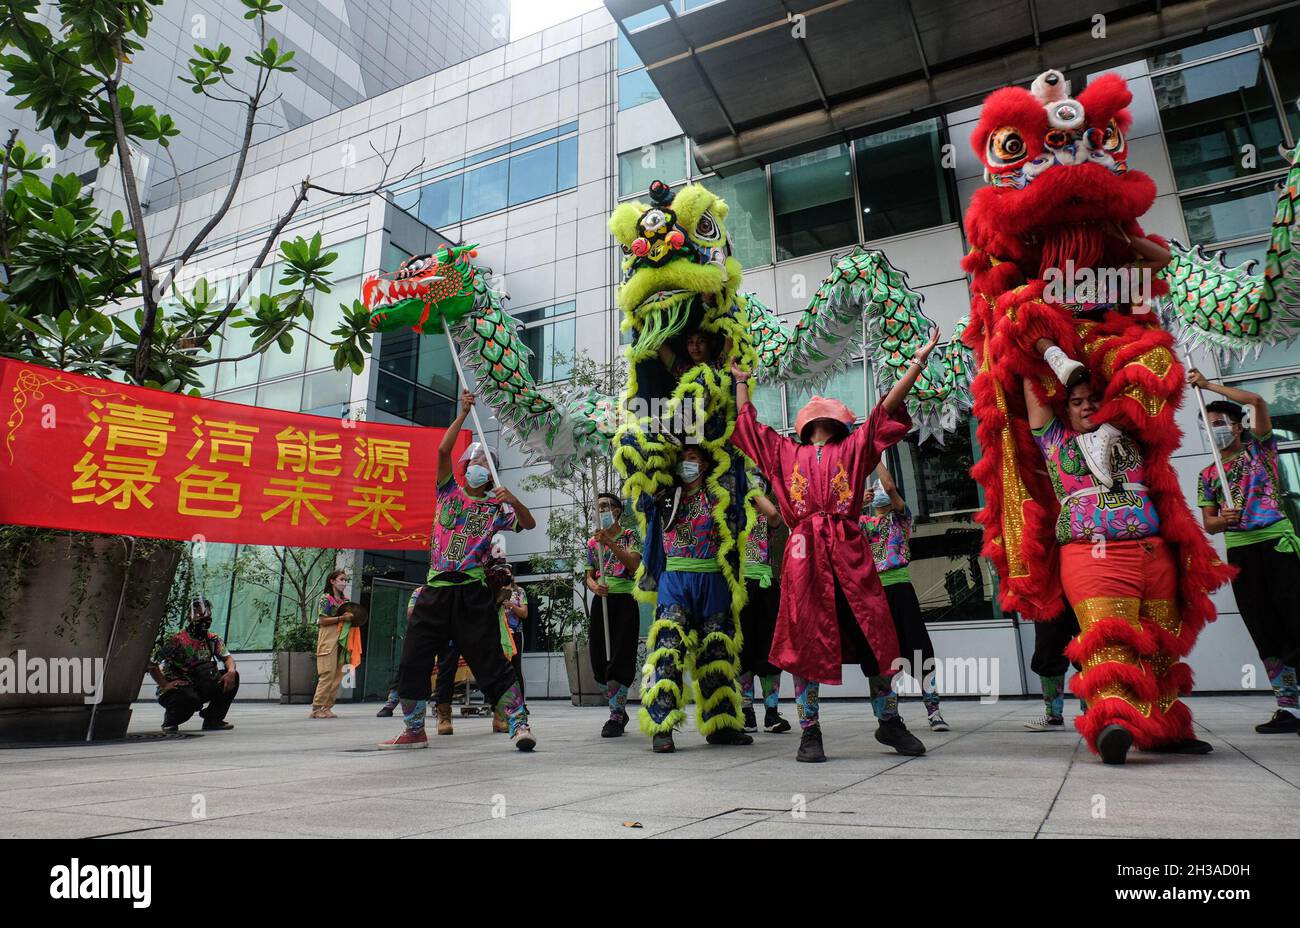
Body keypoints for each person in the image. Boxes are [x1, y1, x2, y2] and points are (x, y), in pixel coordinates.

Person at [729, 327, 939, 763]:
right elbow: (746, 424)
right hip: (804, 552)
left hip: (849, 548)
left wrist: (917, 362)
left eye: (830, 415)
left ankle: (890, 722)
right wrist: (740, 381)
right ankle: (810, 732)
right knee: (807, 641)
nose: (821, 416)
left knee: (877, 635)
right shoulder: (784, 452)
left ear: (842, 421)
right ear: (805, 423)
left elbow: (888, 409)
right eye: (816, 414)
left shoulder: (855, 447)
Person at [1025, 376, 1213, 763]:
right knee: (1106, 638)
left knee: (1161, 644)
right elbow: (1033, 381)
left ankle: (1165, 731)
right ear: (1064, 410)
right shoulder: (1054, 439)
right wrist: (1030, 332)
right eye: (1076, 402)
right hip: (1094, 556)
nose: (1086, 406)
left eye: (1093, 398)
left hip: (1153, 552)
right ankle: (1113, 723)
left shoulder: (1131, 430)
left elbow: (1143, 385)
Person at [379, 390, 539, 751]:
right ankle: (415, 728)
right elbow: (440, 451)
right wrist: (463, 414)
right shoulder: (447, 490)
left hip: (472, 592)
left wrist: (512, 499)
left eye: (487, 462)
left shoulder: (497, 510)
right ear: (466, 466)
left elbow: (527, 524)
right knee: (414, 659)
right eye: (475, 459)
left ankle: (519, 724)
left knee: (491, 661)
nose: (480, 464)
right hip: (435, 589)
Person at [1191, 369, 1300, 734]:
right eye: (1208, 425)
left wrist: (1206, 387)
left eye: (1220, 422)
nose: (1215, 429)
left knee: (1295, 619)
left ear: (1238, 426)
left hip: (1277, 544)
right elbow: (1208, 523)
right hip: (1240, 553)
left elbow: (1256, 401)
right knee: (1263, 628)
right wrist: (1224, 519)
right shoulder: (1208, 474)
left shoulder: (1261, 448)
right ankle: (1289, 708)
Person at [640, 443, 752, 753]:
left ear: (704, 464)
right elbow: (643, 480)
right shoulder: (663, 498)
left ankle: (722, 725)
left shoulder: (721, 495)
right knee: (667, 650)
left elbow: (738, 471)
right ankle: (662, 727)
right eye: (681, 460)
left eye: (691, 459)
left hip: (714, 579)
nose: (685, 464)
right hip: (675, 579)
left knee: (717, 650)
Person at [862, 462, 948, 732]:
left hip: (901, 590)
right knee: (880, 656)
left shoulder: (901, 517)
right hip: (874, 595)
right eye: (872, 488)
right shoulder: (863, 523)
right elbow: (841, 522)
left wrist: (873, 455)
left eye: (879, 487)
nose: (878, 490)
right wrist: (855, 501)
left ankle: (934, 712)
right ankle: (888, 717)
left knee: (920, 650)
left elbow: (888, 486)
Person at [738, 473, 791, 734]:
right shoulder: (733, 518)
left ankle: (771, 711)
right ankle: (746, 711)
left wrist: (755, 490)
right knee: (743, 652)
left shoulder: (765, 518)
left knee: (770, 650)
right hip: (739, 589)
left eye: (759, 487)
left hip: (767, 587)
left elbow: (774, 516)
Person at [585, 492, 642, 738]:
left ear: (617, 511)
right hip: (602, 600)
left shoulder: (631, 535)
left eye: (607, 506)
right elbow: (588, 574)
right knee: (598, 659)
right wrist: (594, 586)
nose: (602, 509)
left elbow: (634, 565)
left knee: (621, 656)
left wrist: (611, 542)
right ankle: (617, 707)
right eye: (598, 507)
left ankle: (615, 716)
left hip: (625, 600)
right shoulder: (591, 543)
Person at [150, 597, 239, 733]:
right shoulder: (176, 640)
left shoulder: (212, 639)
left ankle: (213, 719)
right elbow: (152, 663)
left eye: (206, 613)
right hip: (178, 688)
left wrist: (231, 671)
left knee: (233, 677)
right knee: (191, 700)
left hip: (201, 683)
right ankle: (171, 720)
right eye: (198, 614)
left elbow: (227, 658)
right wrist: (164, 684)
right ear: (189, 617)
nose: (203, 617)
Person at [1023, 606, 1081, 731]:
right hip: (1048, 599)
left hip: (1082, 592)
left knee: (1089, 653)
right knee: (1047, 653)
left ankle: (1095, 716)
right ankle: (1054, 717)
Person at [312, 569, 359, 718]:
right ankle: (317, 708)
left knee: (338, 675)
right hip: (328, 639)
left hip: (343, 641)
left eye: (345, 580)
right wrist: (341, 619)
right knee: (327, 673)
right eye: (341, 579)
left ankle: (327, 707)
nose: (344, 583)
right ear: (332, 581)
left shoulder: (345, 601)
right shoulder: (326, 599)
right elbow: (322, 620)